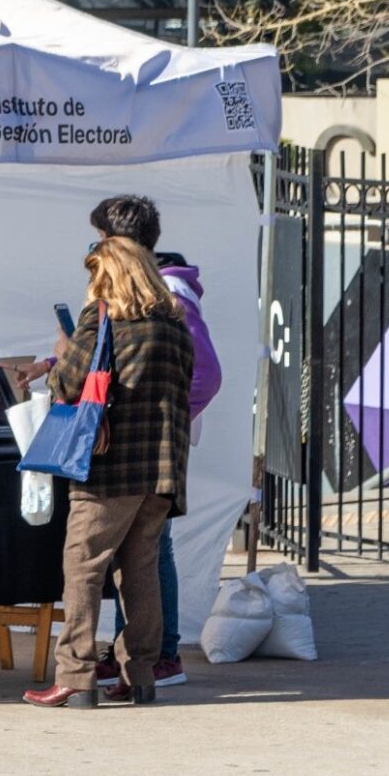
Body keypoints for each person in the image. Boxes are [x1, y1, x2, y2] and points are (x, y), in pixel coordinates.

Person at [24, 237, 194, 709]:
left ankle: (76, 677)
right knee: (140, 572)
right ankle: (140, 675)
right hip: (162, 470)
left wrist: (63, 350)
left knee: (83, 567)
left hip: (109, 469)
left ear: (109, 276)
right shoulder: (175, 326)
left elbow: (69, 383)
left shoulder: (102, 320)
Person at [86, 195, 223, 690]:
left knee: (149, 549)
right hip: (149, 436)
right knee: (139, 550)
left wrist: (162, 415)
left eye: (101, 238)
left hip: (153, 440)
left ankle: (161, 654)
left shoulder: (169, 293)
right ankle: (136, 654)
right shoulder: (150, 287)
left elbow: (205, 374)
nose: (95, 248)